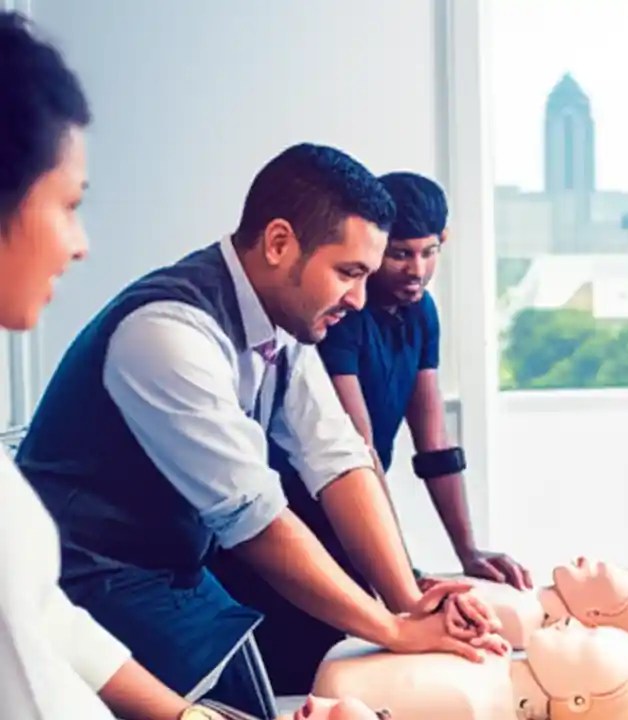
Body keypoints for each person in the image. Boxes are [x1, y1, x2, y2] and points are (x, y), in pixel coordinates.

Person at [14, 141, 506, 715]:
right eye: (348, 272)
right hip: (89, 588)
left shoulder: (286, 326)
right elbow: (256, 519)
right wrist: (393, 631)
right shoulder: (166, 335)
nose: (359, 297)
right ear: (279, 243)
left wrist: (407, 601)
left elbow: (341, 457)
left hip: (174, 579)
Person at [0, 11, 236, 719]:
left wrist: (188, 717)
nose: (79, 245)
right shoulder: (164, 330)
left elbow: (41, 617)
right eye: (68, 204)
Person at [213, 171, 529, 694]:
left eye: (430, 253)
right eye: (401, 254)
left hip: (356, 508)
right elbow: (349, 452)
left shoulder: (421, 313)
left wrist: (467, 551)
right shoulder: (337, 316)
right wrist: (404, 580)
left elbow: (434, 445)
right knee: (313, 674)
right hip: (306, 516)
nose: (417, 271)